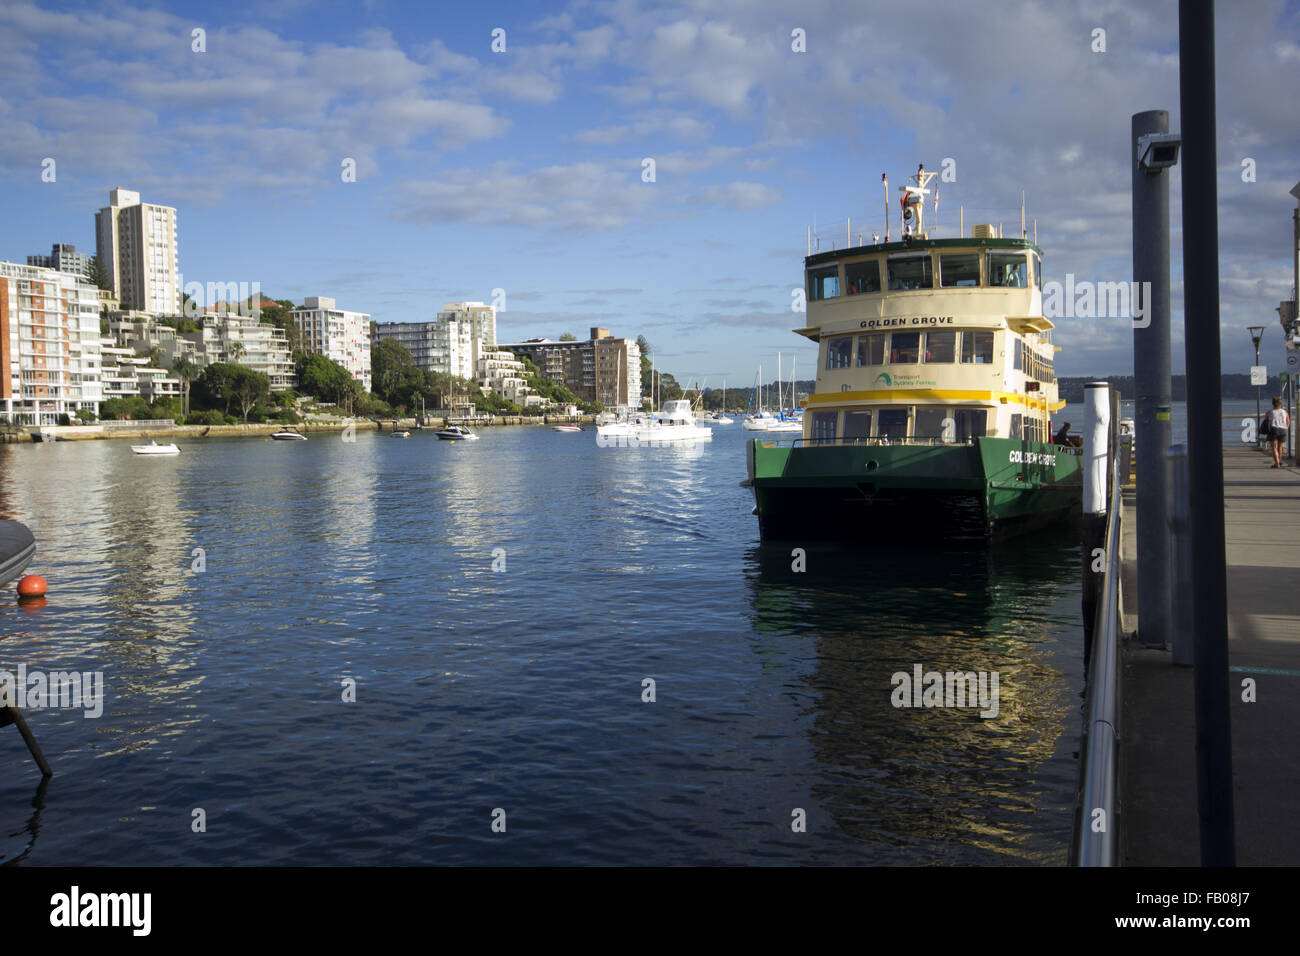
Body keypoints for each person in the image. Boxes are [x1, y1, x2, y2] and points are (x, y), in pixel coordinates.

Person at [1266, 397, 1290, 468]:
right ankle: (1279, 461)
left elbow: (1266, 420)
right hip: (1283, 429)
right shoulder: (1284, 412)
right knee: (1280, 447)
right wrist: (1286, 428)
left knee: (1274, 447)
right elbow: (1288, 422)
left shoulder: (1270, 412)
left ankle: (1277, 464)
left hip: (1274, 429)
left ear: (1273, 404)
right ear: (1280, 404)